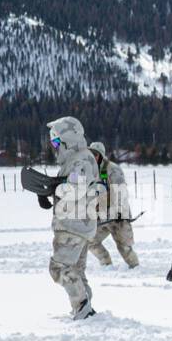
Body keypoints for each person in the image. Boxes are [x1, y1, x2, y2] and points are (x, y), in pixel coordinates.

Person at [41, 117, 101, 319]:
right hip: (80, 224)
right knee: (76, 269)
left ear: (69, 139)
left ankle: (82, 307)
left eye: (57, 142)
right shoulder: (79, 159)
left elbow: (75, 187)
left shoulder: (80, 161)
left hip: (73, 225)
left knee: (59, 268)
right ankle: (86, 308)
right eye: (53, 143)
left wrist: (51, 187)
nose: (54, 147)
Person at [86, 142, 139, 268]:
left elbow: (121, 191)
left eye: (95, 154)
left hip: (118, 217)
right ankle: (106, 265)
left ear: (101, 155)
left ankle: (136, 268)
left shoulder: (112, 169)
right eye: (90, 154)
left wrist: (120, 212)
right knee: (90, 240)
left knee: (124, 247)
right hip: (103, 217)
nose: (92, 156)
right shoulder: (91, 172)